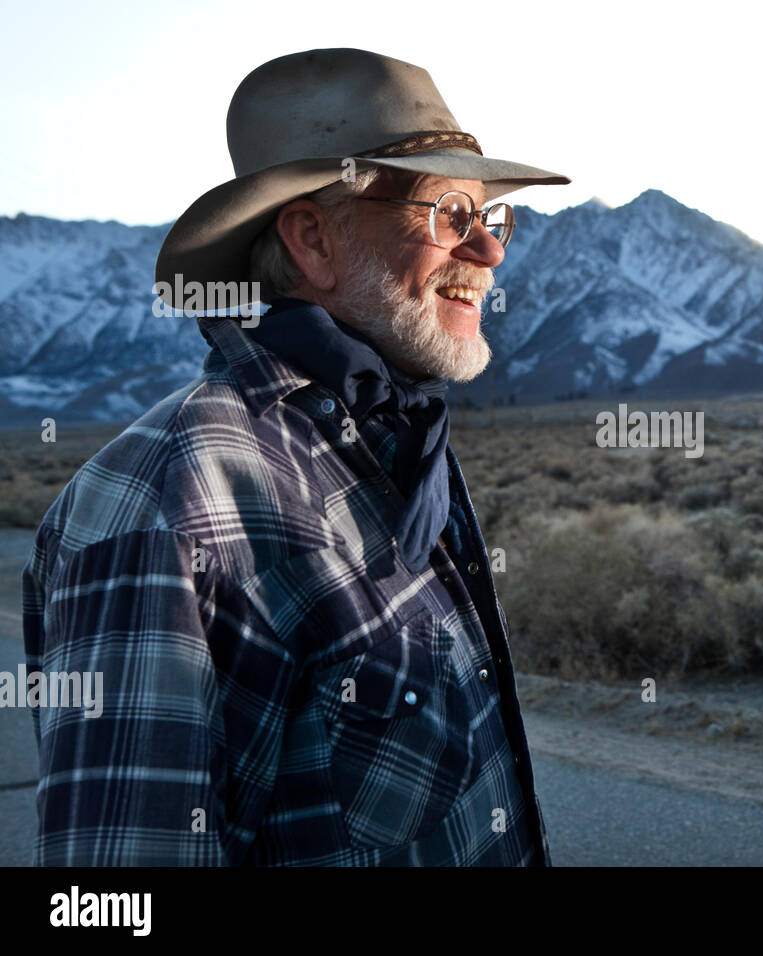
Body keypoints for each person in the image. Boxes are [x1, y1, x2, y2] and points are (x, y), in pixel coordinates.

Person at [21, 47, 570, 866]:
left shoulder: (400, 445)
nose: (488, 254)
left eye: (490, 218)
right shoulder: (169, 503)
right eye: (450, 214)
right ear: (313, 239)